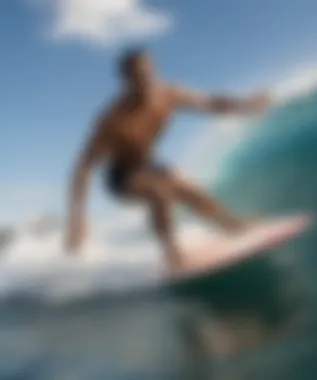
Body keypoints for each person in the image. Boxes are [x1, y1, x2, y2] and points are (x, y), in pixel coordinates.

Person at [65, 48, 273, 269]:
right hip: (121, 176)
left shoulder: (169, 95)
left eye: (148, 73)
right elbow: (82, 168)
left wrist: (245, 105)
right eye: (137, 76)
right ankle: (173, 255)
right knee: (160, 192)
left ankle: (232, 225)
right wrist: (78, 219)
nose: (145, 81)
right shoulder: (112, 120)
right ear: (125, 80)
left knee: (190, 190)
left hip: (148, 164)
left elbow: (210, 103)